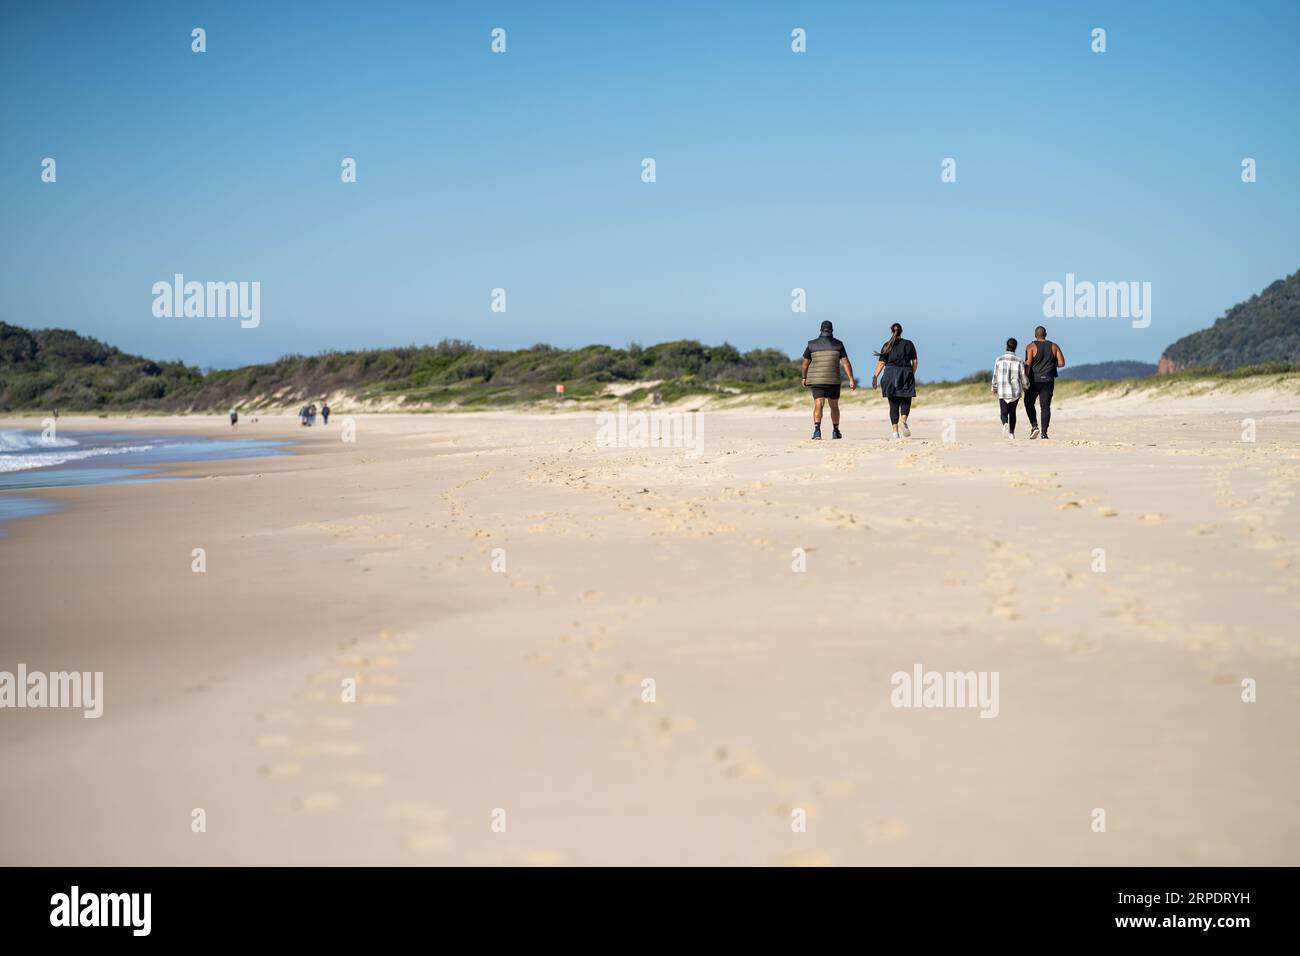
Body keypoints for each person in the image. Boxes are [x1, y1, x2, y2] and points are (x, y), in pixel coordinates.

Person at [800, 320, 856, 439]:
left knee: (818, 404)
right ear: (832, 330)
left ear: (820, 330)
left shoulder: (811, 344)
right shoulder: (838, 344)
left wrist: (804, 377)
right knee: (834, 406)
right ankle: (836, 431)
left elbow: (805, 364)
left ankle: (817, 431)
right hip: (833, 380)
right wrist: (851, 378)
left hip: (816, 380)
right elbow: (845, 363)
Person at [870, 323, 918, 439]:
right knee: (906, 400)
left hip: (889, 375)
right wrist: (911, 373)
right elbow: (915, 361)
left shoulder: (887, 345)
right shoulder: (909, 344)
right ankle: (903, 420)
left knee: (893, 404)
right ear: (902, 331)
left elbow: (881, 363)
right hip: (905, 373)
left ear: (891, 331)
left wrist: (875, 376)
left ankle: (895, 433)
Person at [1023, 326, 1065, 439]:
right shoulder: (1054, 346)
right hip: (1048, 380)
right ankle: (1044, 433)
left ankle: (1034, 426)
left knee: (1028, 403)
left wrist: (1024, 377)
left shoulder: (1030, 346)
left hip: (1034, 380)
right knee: (1045, 407)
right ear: (1046, 334)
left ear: (1035, 334)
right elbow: (1061, 363)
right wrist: (1051, 364)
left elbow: (1028, 363)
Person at [991, 338, 1028, 439]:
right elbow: (1023, 376)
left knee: (1003, 411)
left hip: (1003, 390)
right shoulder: (1020, 360)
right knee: (1012, 412)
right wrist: (1026, 386)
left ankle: (1005, 423)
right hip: (1015, 391)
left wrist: (994, 387)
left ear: (1006, 346)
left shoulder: (999, 359)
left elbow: (995, 375)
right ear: (1015, 347)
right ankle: (1011, 433)